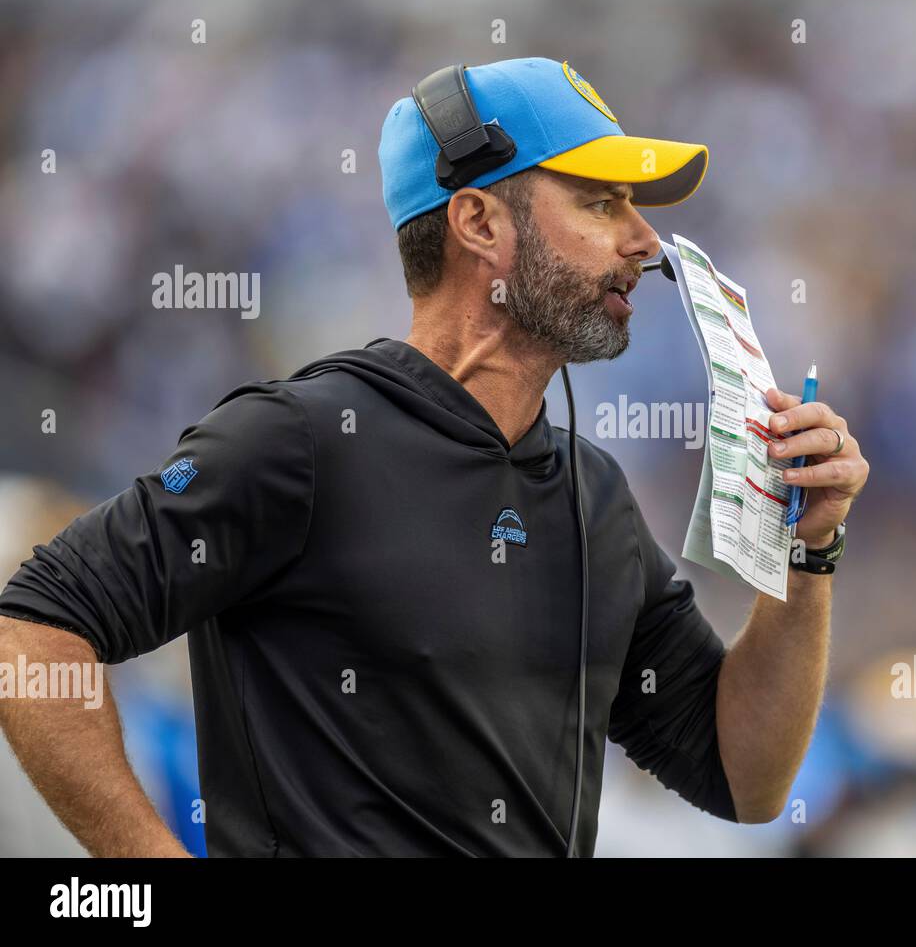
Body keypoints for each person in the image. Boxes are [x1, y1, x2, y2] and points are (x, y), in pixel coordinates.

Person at [0, 57, 870, 857]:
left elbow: (746, 777)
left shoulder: (596, 497)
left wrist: (807, 555)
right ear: (479, 220)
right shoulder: (299, 442)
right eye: (602, 202)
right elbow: (31, 629)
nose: (646, 241)